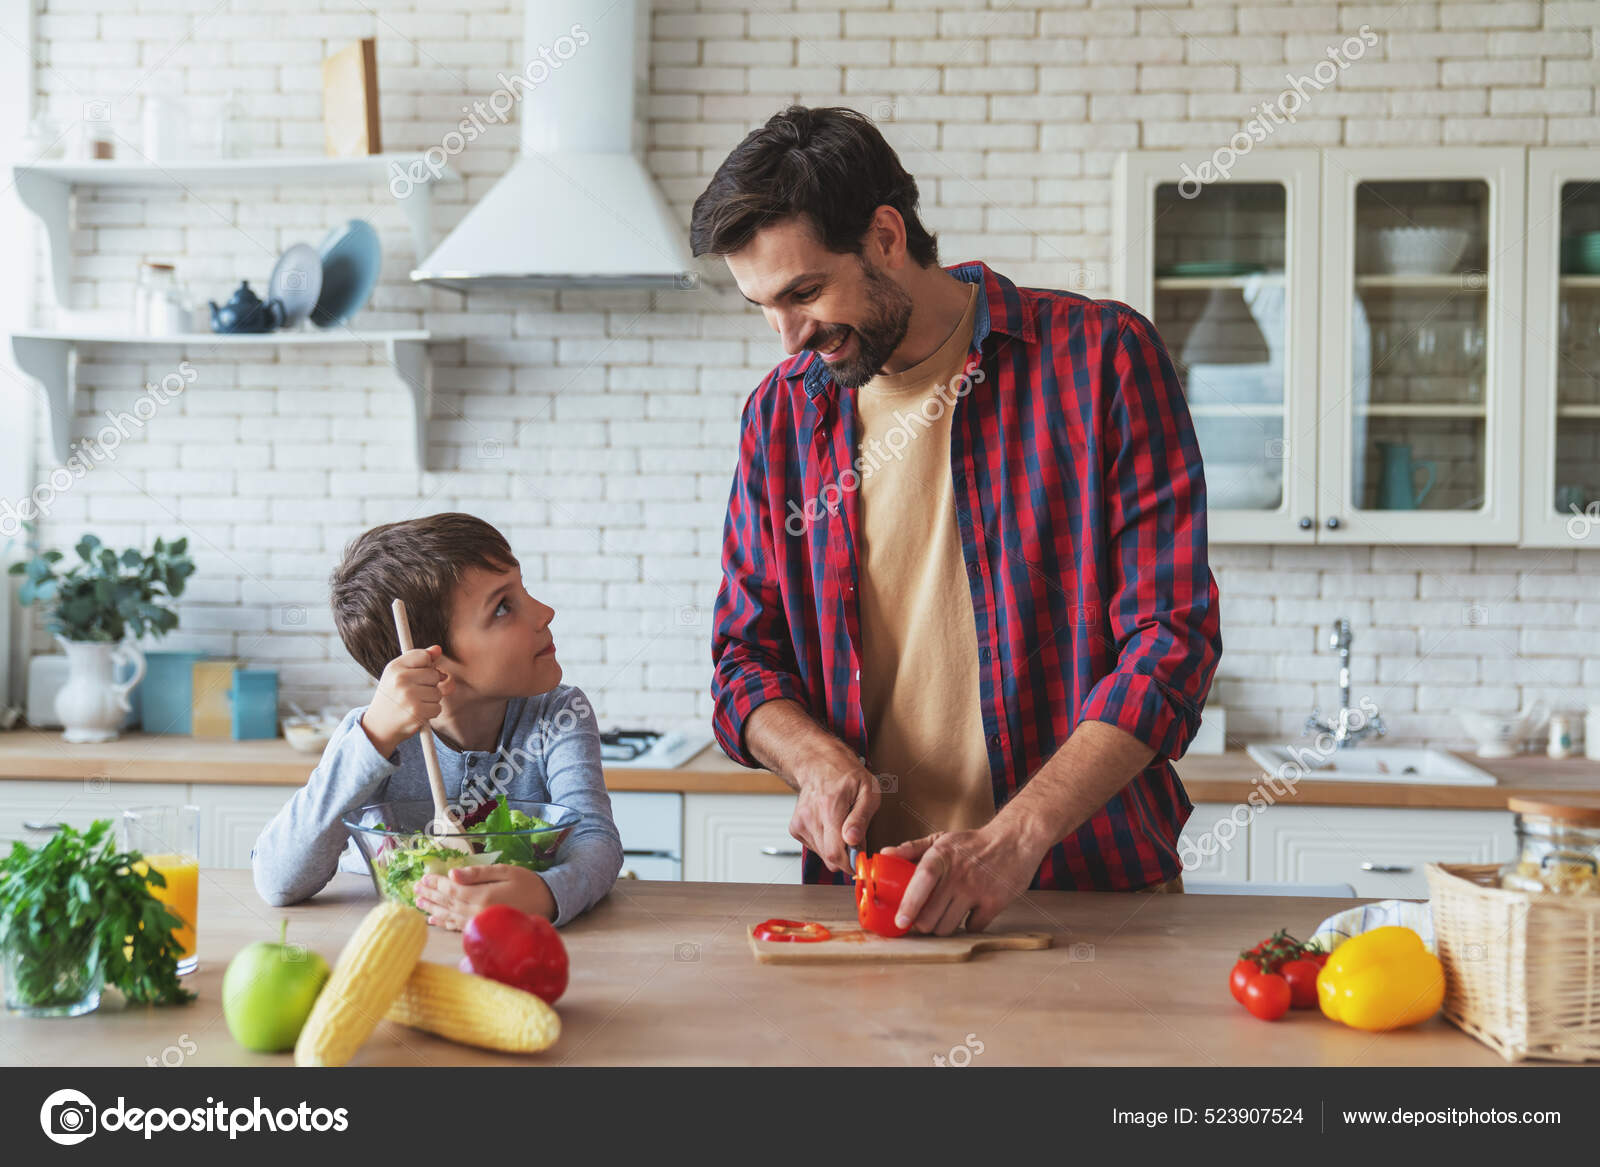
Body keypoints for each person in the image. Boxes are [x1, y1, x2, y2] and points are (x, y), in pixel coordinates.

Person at [692, 105, 1223, 935]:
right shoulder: (781, 419)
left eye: (804, 292)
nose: (788, 338)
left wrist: (1014, 838)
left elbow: (1171, 642)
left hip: (1087, 899)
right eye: (762, 305)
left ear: (885, 236)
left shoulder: (1101, 360)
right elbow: (743, 664)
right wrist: (811, 756)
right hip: (873, 904)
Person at [251, 512, 623, 929]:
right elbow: (276, 879)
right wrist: (374, 737)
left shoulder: (558, 716)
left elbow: (596, 843)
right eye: (503, 607)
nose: (544, 612)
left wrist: (546, 894)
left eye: (523, 592)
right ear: (438, 669)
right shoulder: (374, 736)